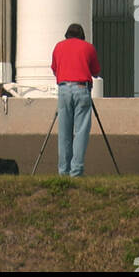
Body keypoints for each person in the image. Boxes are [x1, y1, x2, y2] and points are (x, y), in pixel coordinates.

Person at [51, 23, 101, 177]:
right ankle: (76, 171)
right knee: (80, 132)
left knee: (64, 132)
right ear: (82, 36)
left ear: (67, 35)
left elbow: (54, 69)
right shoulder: (88, 48)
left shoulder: (58, 47)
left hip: (64, 89)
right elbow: (96, 71)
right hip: (81, 88)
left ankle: (63, 171)